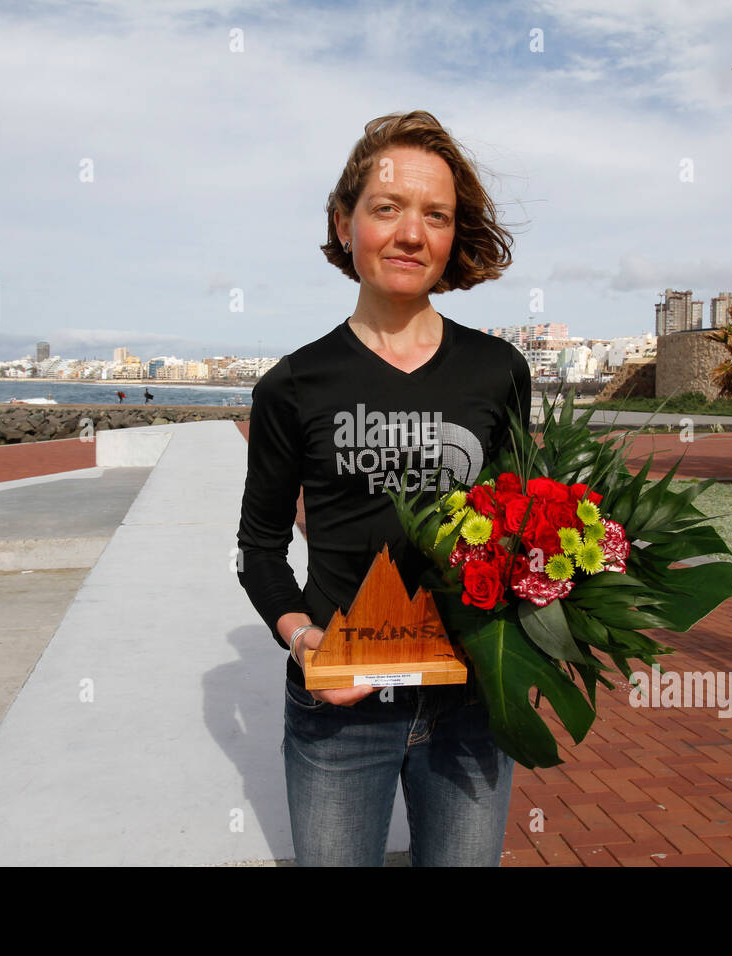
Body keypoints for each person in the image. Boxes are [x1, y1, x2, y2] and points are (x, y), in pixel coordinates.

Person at [235, 110, 530, 866]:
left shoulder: (498, 371)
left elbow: (523, 528)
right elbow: (259, 549)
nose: (411, 234)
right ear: (345, 223)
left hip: (469, 701)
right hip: (340, 710)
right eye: (388, 207)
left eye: (436, 215)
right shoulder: (293, 384)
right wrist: (302, 640)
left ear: (454, 235)